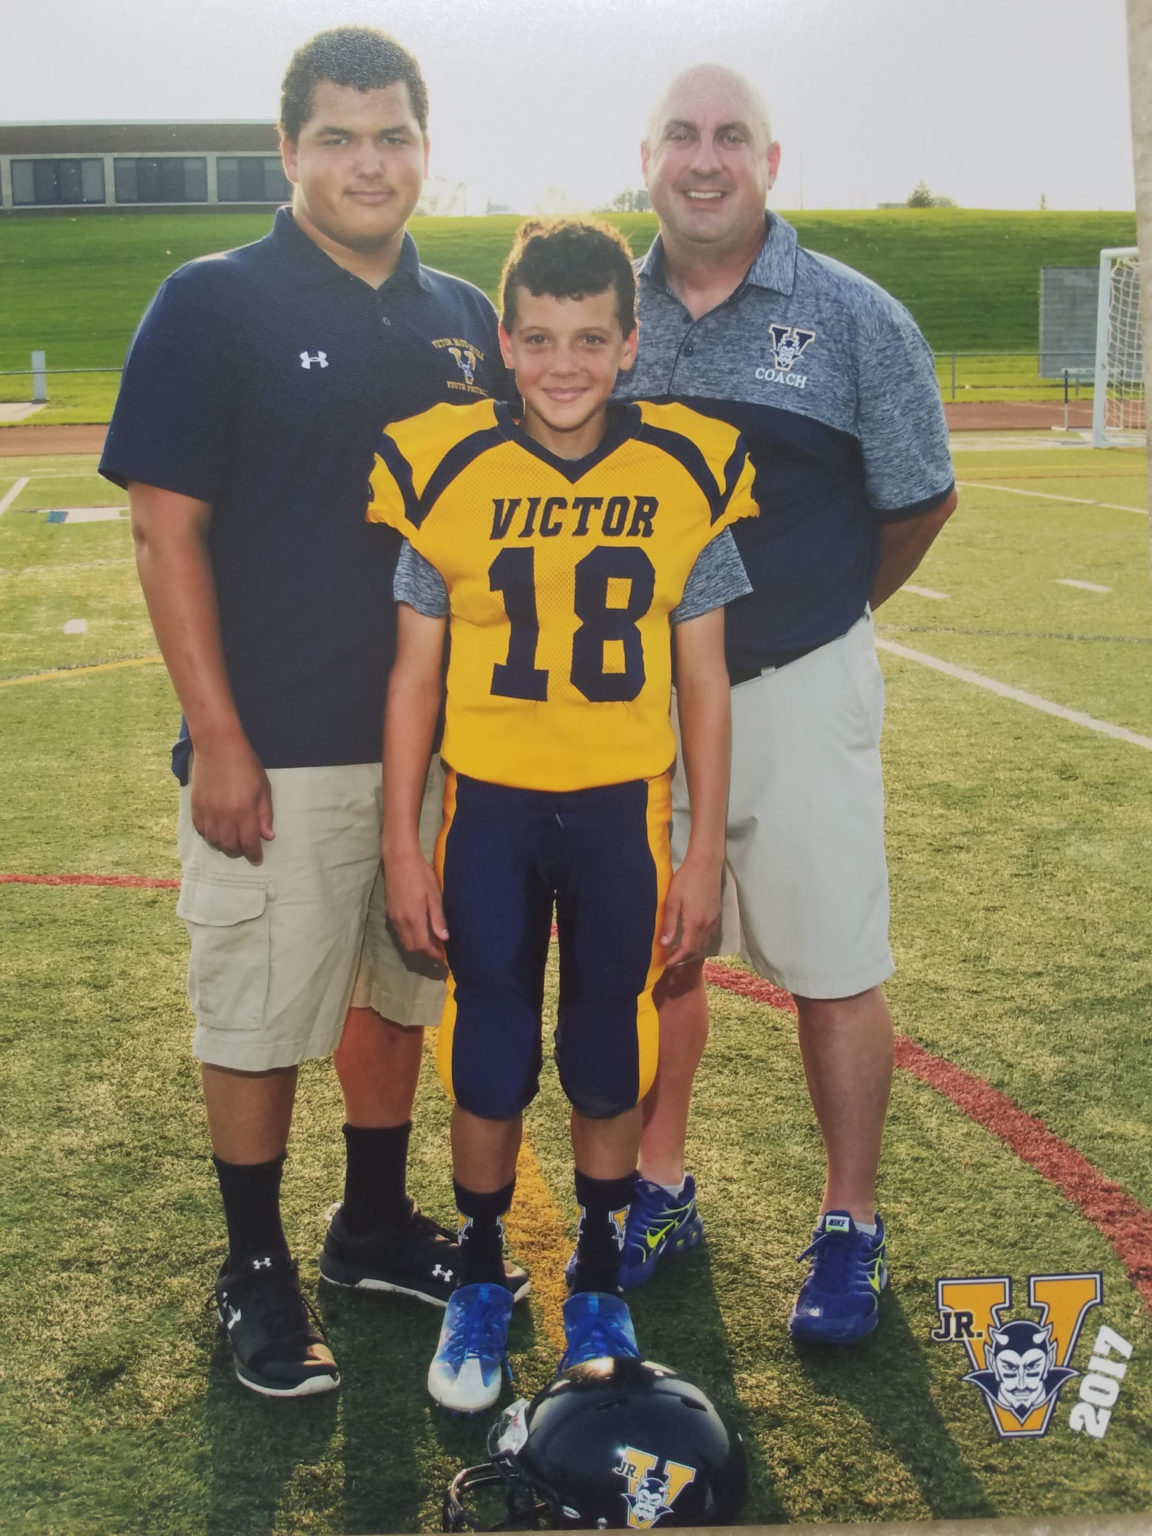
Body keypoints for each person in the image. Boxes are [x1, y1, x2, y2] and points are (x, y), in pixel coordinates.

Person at [99, 25, 525, 1400]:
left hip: (447, 753)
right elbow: (166, 534)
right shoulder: (213, 300)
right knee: (260, 1015)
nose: (368, 160)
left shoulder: (466, 315)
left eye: (392, 134)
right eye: (338, 136)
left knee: (400, 995)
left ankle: (372, 1227)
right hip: (278, 740)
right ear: (287, 152)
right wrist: (219, 736)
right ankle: (255, 1271)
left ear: (424, 148)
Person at [369, 218, 758, 1411]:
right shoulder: (446, 463)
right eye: (538, 337)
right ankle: (483, 1274)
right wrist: (400, 841)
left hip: (619, 812)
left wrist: (700, 849)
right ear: (502, 340)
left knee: (604, 1046)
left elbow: (705, 679)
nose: (564, 362)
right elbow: (413, 679)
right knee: (487, 1048)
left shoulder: (687, 467)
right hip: (486, 807)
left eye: (591, 336)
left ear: (632, 342)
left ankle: (596, 1276)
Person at [616, 65, 957, 1343]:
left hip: (796, 681)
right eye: (683, 138)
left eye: (732, 139)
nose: (706, 161)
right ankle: (658, 1186)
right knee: (657, 947)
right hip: (638, 695)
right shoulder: (608, 305)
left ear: (773, 158)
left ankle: (850, 1222)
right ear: (645, 153)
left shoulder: (854, 314)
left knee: (833, 964)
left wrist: (821, 615)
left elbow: (921, 496)